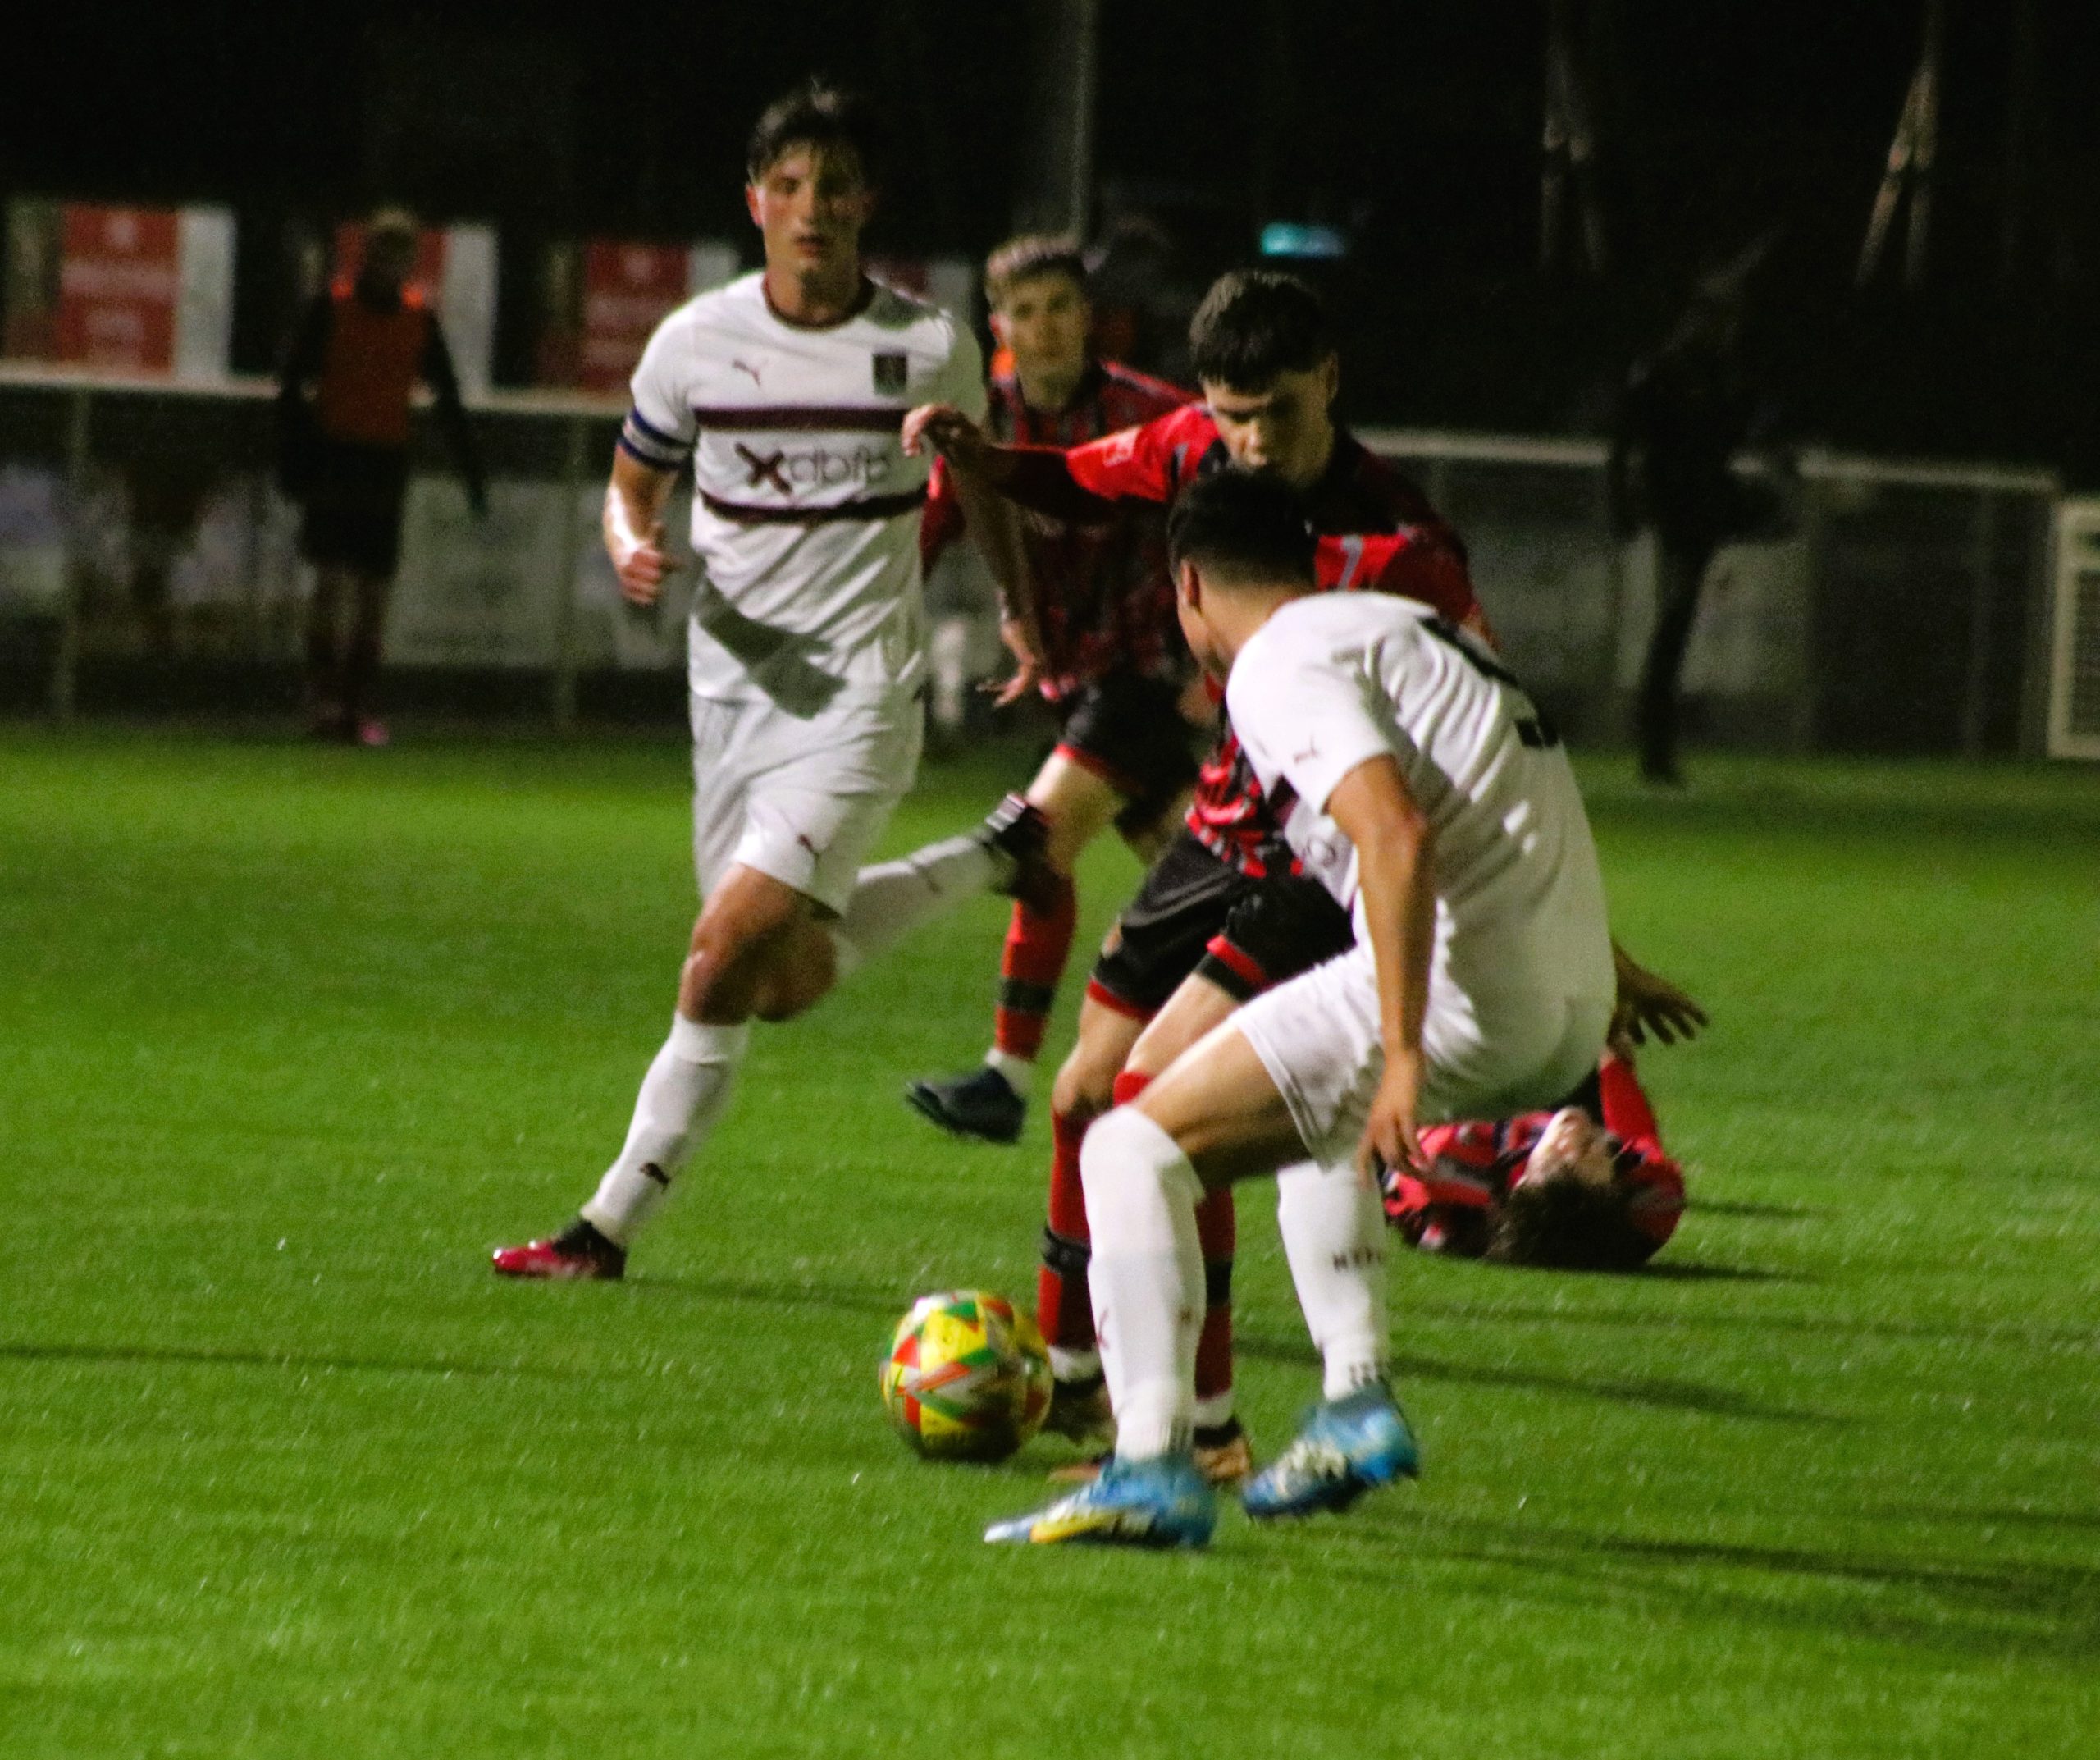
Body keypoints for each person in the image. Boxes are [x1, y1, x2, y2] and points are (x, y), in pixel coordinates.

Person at [908, 269, 1482, 1483]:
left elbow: (1484, 725)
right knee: (1077, 1100)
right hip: (1215, 833)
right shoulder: (1191, 449)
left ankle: (1209, 1429)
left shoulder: (1405, 545)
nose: (1254, 442)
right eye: (1234, 415)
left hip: (1310, 866)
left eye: (1278, 411)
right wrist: (980, 456)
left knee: (1163, 1118)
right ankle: (1070, 1385)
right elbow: (1073, 483)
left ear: (1330, 381)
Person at [986, 469, 1616, 1548]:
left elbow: (1395, 833)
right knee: (1305, 1117)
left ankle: (1153, 1464)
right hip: (1571, 995)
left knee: (1129, 1147)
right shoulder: (1407, 627)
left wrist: (1407, 1053)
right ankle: (1355, 1401)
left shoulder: (1278, 660)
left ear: (1189, 586)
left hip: (1466, 989)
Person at [492, 82, 1045, 1282]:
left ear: (867, 204)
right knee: (778, 981)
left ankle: (603, 1230)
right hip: (733, 692)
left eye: (835, 186)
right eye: (789, 187)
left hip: (861, 698)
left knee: (718, 952)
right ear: (755, 203)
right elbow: (632, 480)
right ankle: (997, 857)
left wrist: (1018, 608)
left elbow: (986, 485)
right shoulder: (694, 344)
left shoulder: (928, 345)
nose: (813, 209)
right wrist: (627, 541)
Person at [904, 235, 1198, 1146]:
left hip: (1147, 676)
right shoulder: (980, 425)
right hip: (1076, 687)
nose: (1044, 328)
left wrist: (1215, 664)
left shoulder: (1151, 415)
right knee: (1208, 884)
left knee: (1033, 847)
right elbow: (928, 532)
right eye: (1024, 313)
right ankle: (1327, 1031)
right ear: (998, 327)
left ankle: (1004, 1078)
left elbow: (1222, 518)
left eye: (1059, 308)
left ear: (1088, 317)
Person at [276, 208, 486, 746]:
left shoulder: (418, 318)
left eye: (401, 258)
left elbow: (449, 396)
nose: (390, 267)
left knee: (373, 593)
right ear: (366, 257)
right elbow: (293, 382)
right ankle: (322, 701)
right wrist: (292, 456)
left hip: (384, 463)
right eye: (382, 255)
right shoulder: (334, 307)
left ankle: (356, 707)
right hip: (334, 456)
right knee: (329, 585)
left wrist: (472, 472)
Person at [1385, 1048, 1685, 1269]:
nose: (1582, 1137)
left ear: (1526, 1183)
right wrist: (1608, 1052)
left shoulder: (1449, 1166)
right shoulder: (1651, 1196)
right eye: (1598, 1148)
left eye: (1568, 1154)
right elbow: (1637, 1136)